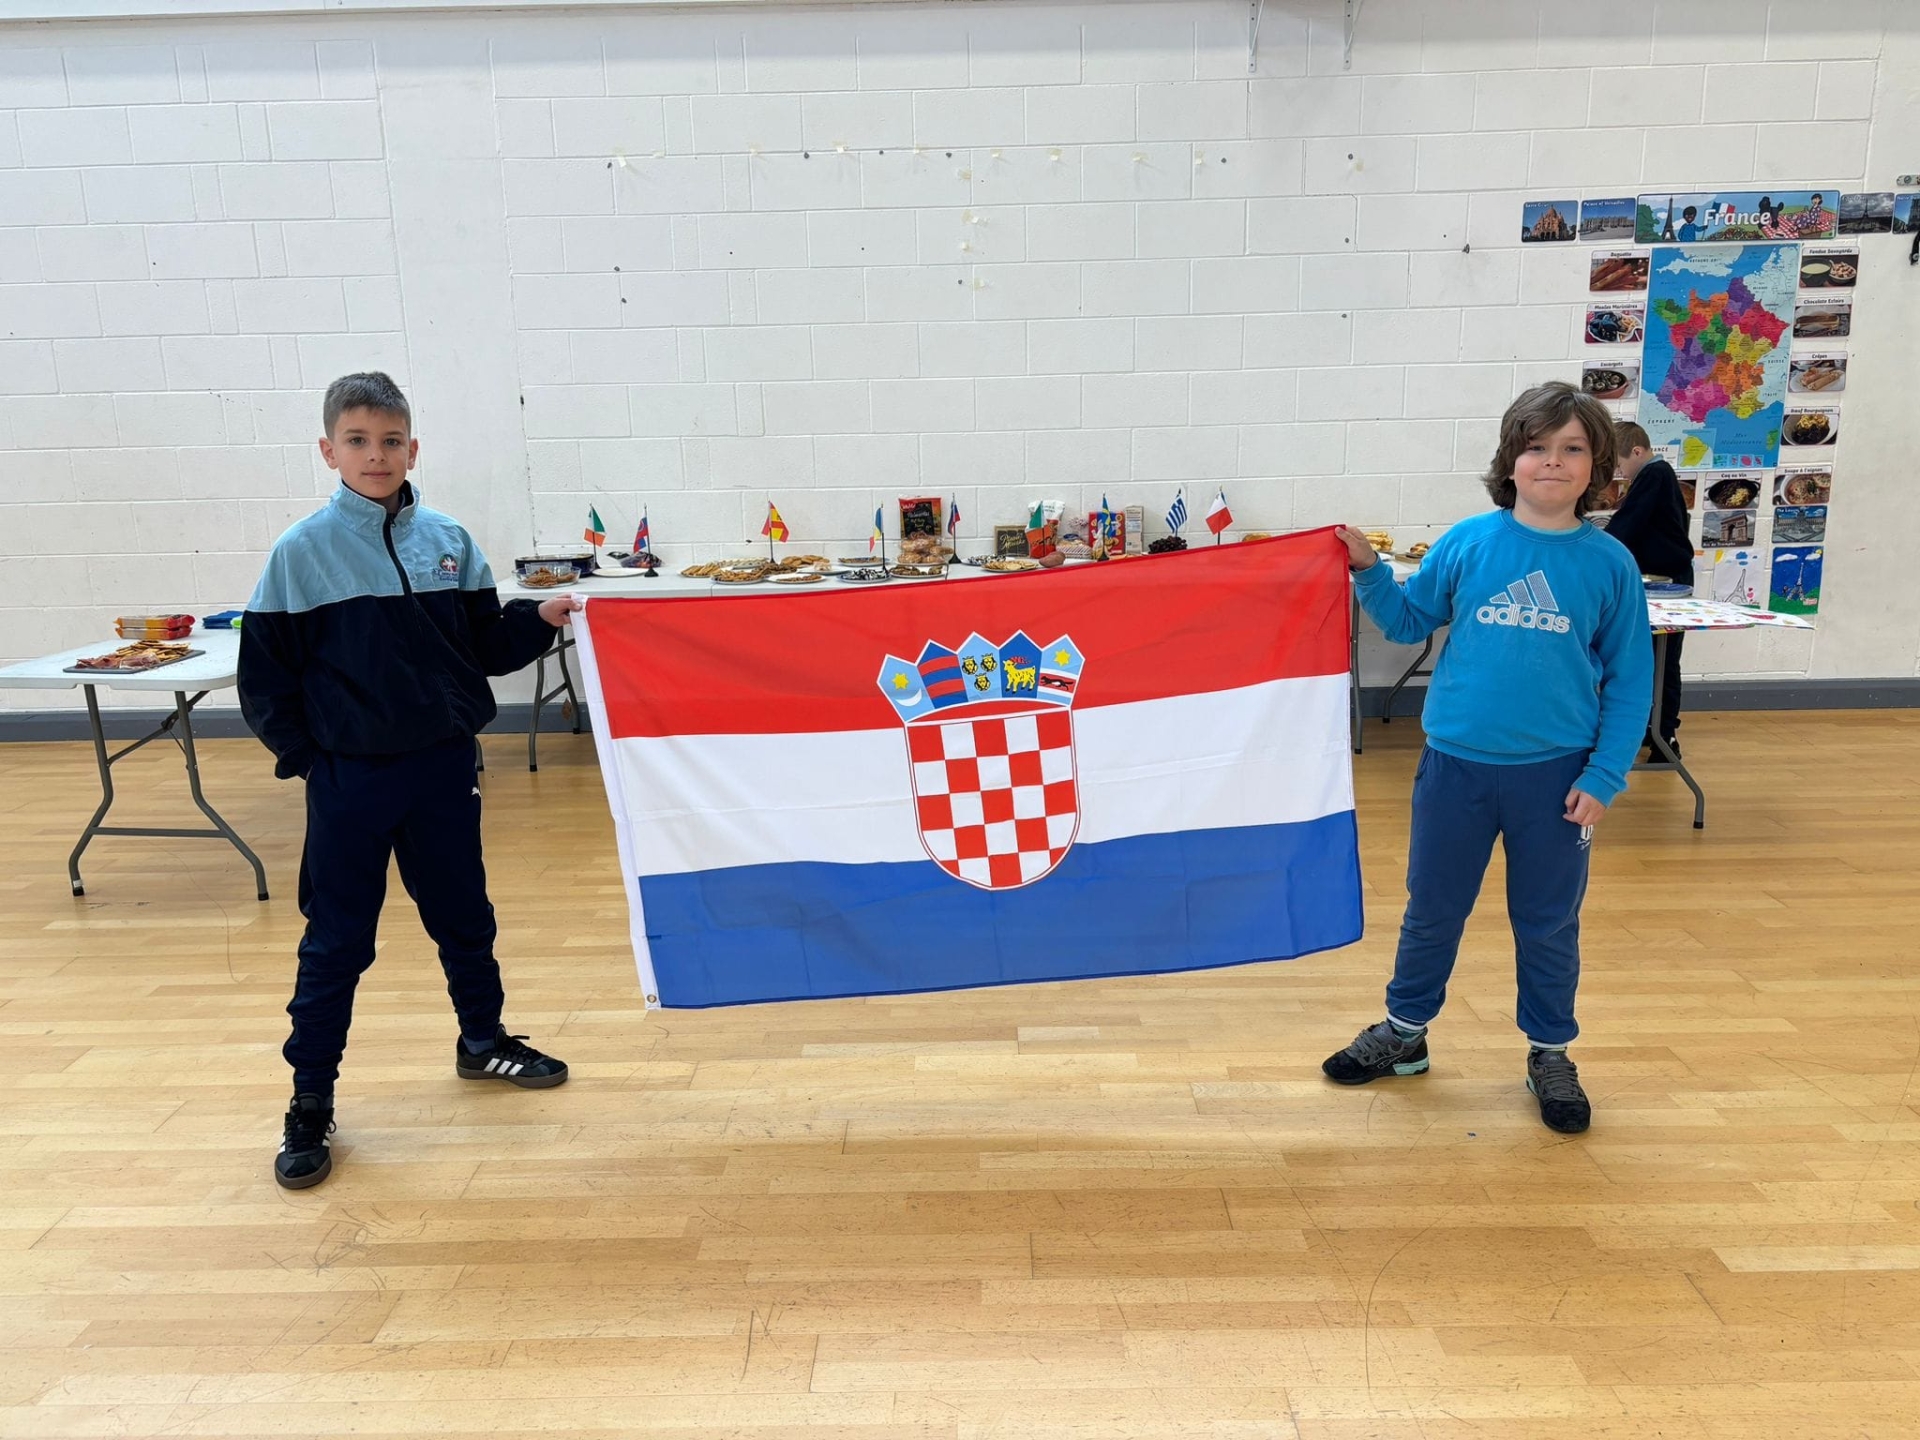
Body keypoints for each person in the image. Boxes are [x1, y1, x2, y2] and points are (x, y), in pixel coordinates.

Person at [239, 372, 581, 1189]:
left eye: (391, 440)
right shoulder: (299, 554)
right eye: (357, 440)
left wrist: (540, 618)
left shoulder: (450, 540)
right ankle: (310, 1101)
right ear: (329, 450)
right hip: (351, 782)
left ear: (413, 447)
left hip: (442, 768)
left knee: (465, 913)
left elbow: (484, 648)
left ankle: (483, 1041)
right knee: (337, 942)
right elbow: (265, 681)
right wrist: (315, 760)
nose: (376, 454)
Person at [1323, 381, 1652, 1134]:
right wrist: (1370, 568)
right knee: (1432, 910)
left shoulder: (1609, 565)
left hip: (1558, 781)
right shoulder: (1469, 542)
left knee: (1546, 922)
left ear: (1598, 464)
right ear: (1510, 459)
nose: (1552, 462)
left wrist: (1604, 776)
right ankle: (1404, 1033)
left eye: (1573, 449)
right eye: (1537, 447)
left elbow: (1632, 682)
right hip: (1455, 772)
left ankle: (1550, 1049)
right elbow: (1409, 622)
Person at [1605, 421, 1694, 756]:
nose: (1619, 471)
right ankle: (1653, 728)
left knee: (1664, 661)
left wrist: (1592, 547)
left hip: (1668, 583)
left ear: (1638, 452)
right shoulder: (1660, 476)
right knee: (1653, 660)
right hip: (1662, 578)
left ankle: (1665, 735)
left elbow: (1625, 525)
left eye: (1619, 463)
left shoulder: (1654, 475)